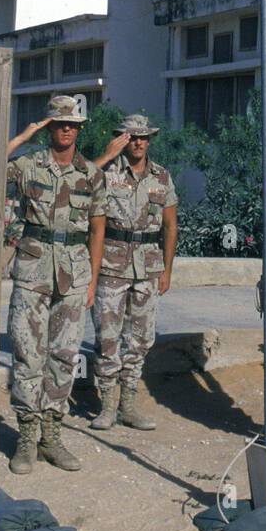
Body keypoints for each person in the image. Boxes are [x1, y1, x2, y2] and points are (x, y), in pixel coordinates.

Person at [4, 95, 106, 473]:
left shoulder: (91, 174)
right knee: (28, 352)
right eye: (59, 123)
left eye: (72, 123)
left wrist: (93, 279)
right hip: (32, 269)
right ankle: (26, 438)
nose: (66, 129)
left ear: (79, 129)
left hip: (75, 272)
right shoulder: (29, 166)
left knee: (64, 355)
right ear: (49, 126)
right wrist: (25, 135)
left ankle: (52, 435)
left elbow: (98, 227)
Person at [89, 114, 178, 430]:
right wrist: (106, 156)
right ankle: (107, 407)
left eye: (144, 137)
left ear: (150, 140)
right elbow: (79, 182)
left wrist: (166, 270)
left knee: (139, 340)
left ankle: (128, 405)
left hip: (148, 267)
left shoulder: (161, 177)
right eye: (132, 137)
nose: (139, 142)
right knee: (107, 336)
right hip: (112, 266)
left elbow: (170, 226)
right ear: (121, 139)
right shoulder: (105, 174)